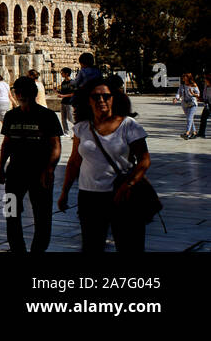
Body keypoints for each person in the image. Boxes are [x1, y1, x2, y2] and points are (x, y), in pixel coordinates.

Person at [58, 75, 152, 253]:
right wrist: (65, 192)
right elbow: (74, 162)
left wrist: (129, 184)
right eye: (95, 96)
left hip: (121, 194)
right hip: (89, 196)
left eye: (106, 96)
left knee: (129, 245)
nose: (101, 100)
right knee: (92, 245)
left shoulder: (129, 125)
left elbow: (144, 159)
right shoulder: (82, 127)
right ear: (88, 100)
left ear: (113, 99)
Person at [0, 76, 62, 252]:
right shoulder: (11, 115)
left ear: (32, 93)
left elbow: (56, 145)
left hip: (40, 174)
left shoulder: (47, 116)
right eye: (19, 92)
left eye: (24, 92)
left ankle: (37, 250)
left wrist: (49, 170)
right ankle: (17, 248)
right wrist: (0, 168)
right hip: (14, 174)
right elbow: (7, 143)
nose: (21, 95)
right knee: (10, 212)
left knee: (42, 216)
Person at [176, 73, 201, 139]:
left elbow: (198, 94)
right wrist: (176, 98)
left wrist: (193, 93)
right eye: (183, 77)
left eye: (185, 77)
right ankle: (194, 132)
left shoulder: (193, 85)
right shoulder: (182, 85)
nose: (183, 78)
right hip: (184, 104)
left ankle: (187, 133)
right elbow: (179, 93)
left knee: (189, 118)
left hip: (193, 104)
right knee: (190, 118)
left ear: (188, 78)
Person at [57, 68, 76, 135]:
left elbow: (74, 93)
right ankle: (66, 132)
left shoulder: (73, 83)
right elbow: (62, 92)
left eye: (62, 73)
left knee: (70, 118)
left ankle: (78, 129)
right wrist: (58, 92)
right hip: (63, 102)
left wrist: (63, 96)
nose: (61, 74)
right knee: (63, 118)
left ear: (66, 73)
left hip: (70, 103)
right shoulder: (63, 82)